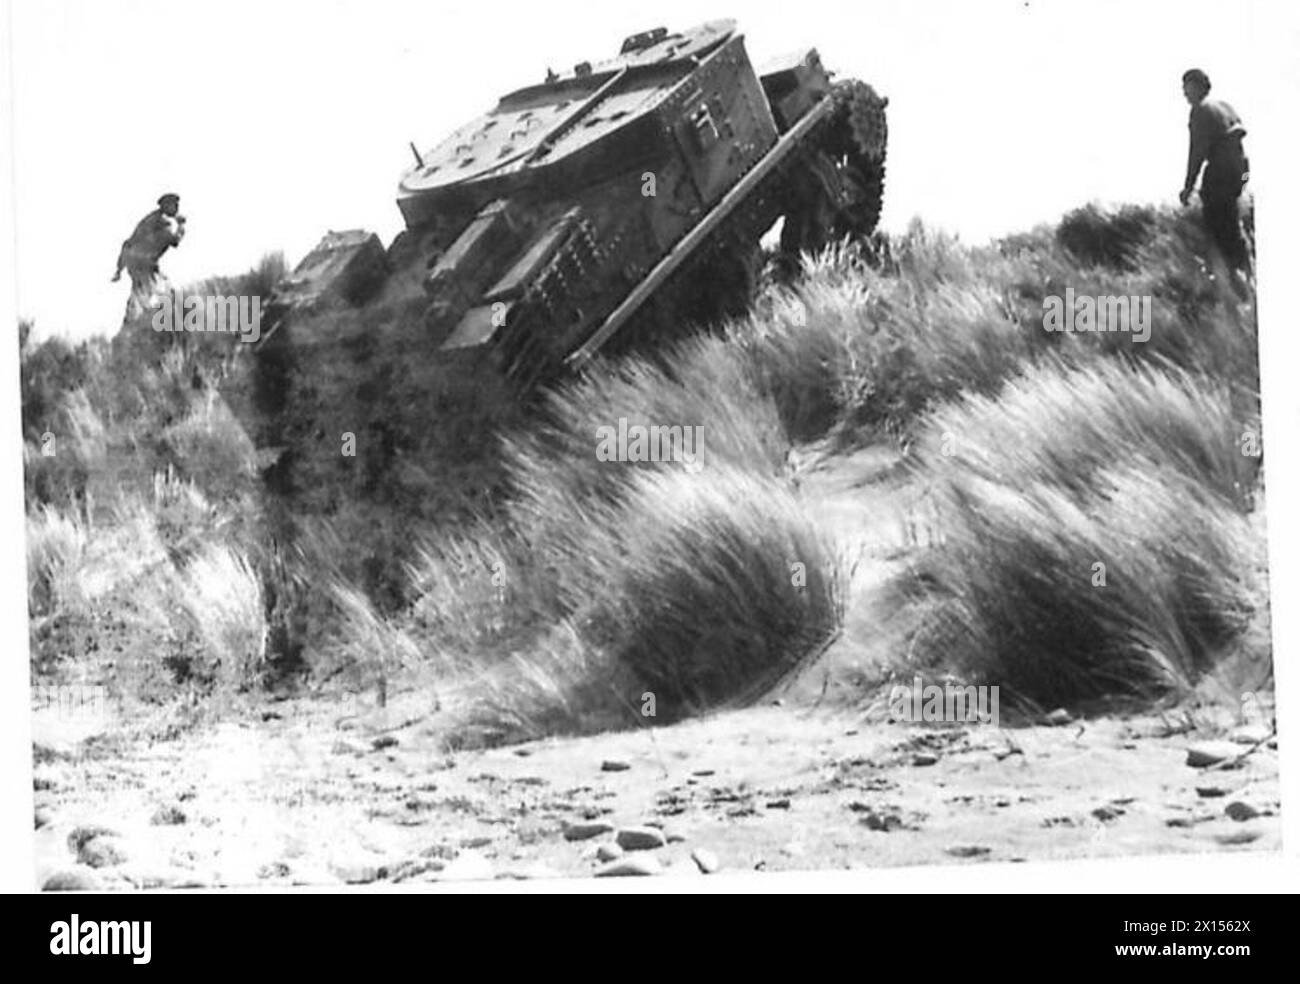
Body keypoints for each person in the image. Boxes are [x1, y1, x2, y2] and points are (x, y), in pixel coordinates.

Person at [1178, 69, 1251, 276]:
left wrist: (1188, 187)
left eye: (1188, 86)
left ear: (1200, 86)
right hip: (1241, 171)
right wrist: (1244, 182)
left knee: (1217, 228)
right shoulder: (1226, 107)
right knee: (1232, 225)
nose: (1185, 92)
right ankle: (1246, 272)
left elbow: (1197, 152)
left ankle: (1225, 278)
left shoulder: (1200, 110)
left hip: (1219, 175)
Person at [113, 192, 186, 320]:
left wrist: (119, 269)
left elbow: (127, 244)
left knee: (147, 292)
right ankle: (137, 324)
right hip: (144, 264)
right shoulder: (162, 222)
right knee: (151, 294)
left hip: (137, 262)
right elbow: (174, 241)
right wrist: (181, 225)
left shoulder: (150, 219)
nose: (177, 208)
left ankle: (134, 323)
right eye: (174, 205)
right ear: (165, 206)